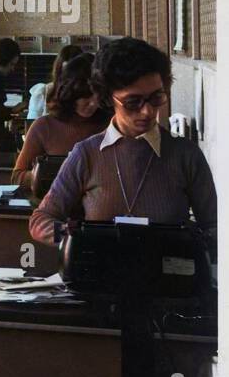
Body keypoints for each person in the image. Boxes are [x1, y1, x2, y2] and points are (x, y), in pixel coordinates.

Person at [30, 37, 216, 246]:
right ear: (108, 98)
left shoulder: (186, 155)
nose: (147, 112)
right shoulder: (86, 154)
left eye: (156, 98)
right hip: (101, 275)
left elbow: (215, 227)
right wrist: (79, 240)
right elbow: (40, 220)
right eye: (132, 102)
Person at [12, 53, 108, 193]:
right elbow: (17, 177)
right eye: (85, 98)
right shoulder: (44, 126)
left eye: (98, 97)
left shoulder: (109, 124)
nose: (93, 104)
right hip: (56, 207)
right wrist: (45, 174)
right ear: (70, 93)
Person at [26, 42, 83, 121]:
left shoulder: (86, 95)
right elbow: (31, 126)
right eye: (66, 70)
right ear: (59, 69)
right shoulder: (43, 92)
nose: (70, 76)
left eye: (74, 71)